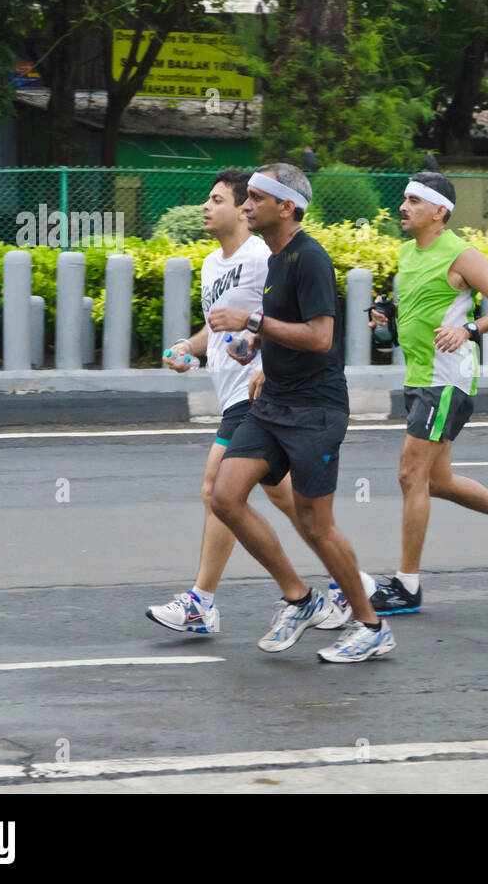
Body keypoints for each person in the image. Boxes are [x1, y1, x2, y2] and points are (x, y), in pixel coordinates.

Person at [147, 170, 353, 634]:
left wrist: (265, 363)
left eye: (217, 199)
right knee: (289, 503)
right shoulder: (211, 265)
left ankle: (203, 603)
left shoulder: (265, 257)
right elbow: (218, 327)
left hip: (257, 393)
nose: (206, 205)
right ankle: (347, 582)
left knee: (217, 489)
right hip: (236, 394)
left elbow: (284, 321)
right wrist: (189, 348)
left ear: (245, 208)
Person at [208, 163, 391, 663]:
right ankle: (300, 598)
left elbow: (320, 336)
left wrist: (250, 319)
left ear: (285, 207)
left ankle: (371, 626)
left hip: (315, 411)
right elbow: (282, 326)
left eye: (255, 198)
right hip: (272, 405)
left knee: (315, 523)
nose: (245, 206)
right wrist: (254, 343)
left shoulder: (309, 258)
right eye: (243, 199)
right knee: (224, 496)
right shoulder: (275, 258)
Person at [365, 172, 488, 615]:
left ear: (439, 211)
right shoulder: (409, 252)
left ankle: (407, 585)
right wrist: (386, 318)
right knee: (439, 481)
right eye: (404, 199)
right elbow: (416, 314)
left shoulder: (462, 255)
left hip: (446, 381)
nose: (403, 207)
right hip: (418, 378)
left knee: (411, 476)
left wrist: (467, 330)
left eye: (414, 201)